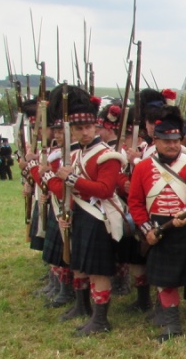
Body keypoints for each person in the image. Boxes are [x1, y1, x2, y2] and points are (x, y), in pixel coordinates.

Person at [128, 107, 186, 349]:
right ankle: (172, 325)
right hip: (159, 229)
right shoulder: (143, 168)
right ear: (155, 141)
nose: (172, 145)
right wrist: (147, 229)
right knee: (165, 282)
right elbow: (135, 202)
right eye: (167, 141)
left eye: (176, 141)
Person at [50, 84, 128, 336]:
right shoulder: (75, 156)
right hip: (81, 216)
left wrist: (72, 180)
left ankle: (101, 319)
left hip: (99, 218)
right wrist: (66, 215)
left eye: (88, 127)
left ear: (95, 127)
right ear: (71, 130)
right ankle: (86, 310)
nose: (84, 133)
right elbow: (70, 193)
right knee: (83, 267)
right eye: (78, 128)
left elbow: (105, 189)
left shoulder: (107, 155)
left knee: (98, 270)